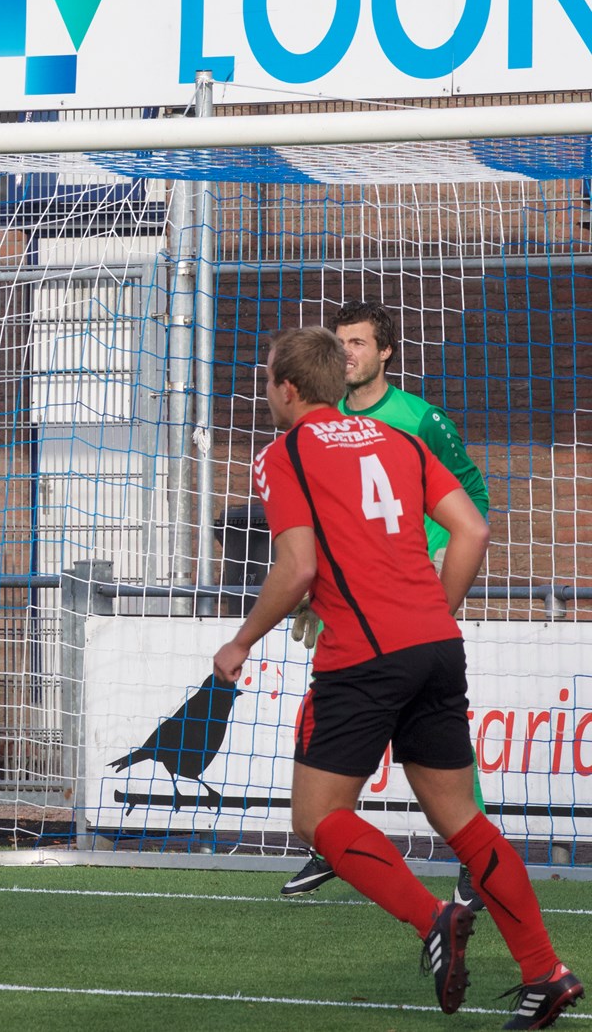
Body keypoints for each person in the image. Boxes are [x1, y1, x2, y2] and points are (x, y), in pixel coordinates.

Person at [213, 328, 580, 1028]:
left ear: (288, 389)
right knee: (463, 820)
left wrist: (240, 640)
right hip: (436, 645)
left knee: (318, 818)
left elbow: (298, 568)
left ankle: (435, 917)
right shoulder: (401, 443)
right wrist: (431, 616)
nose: (267, 394)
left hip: (361, 655)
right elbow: (471, 529)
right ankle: (545, 970)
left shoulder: (283, 453)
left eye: (267, 382)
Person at [284, 301, 495, 907]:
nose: (347, 352)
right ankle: (334, 840)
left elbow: (472, 497)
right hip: (355, 597)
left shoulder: (421, 419)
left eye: (358, 342)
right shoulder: (319, 424)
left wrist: (432, 563)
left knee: (432, 733)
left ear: (385, 353)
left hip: (412, 589)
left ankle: (471, 859)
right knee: (333, 709)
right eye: (340, 341)